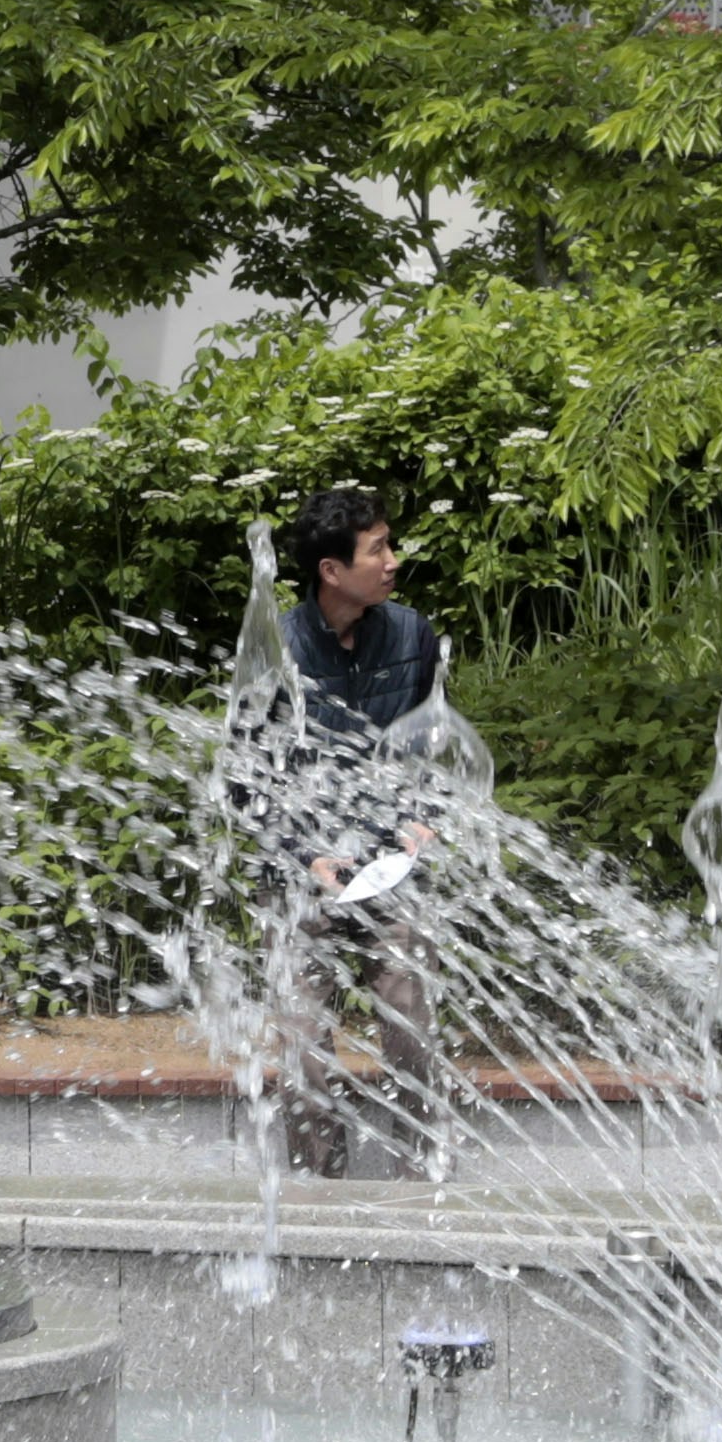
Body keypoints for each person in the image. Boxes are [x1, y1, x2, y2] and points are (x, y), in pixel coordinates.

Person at [231, 489, 445, 1181]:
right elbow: (242, 780)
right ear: (331, 570)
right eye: (377, 549)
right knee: (303, 1041)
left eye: (390, 543)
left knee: (411, 1021)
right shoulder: (275, 648)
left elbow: (434, 743)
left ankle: (422, 1178)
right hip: (304, 875)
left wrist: (423, 815)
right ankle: (316, 1187)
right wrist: (305, 856)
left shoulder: (412, 636)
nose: (393, 560)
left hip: (390, 869)